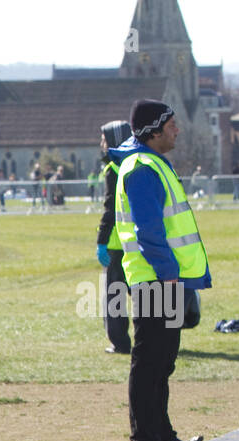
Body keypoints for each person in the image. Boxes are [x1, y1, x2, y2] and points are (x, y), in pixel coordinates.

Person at [112, 99, 210, 441]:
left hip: (166, 280)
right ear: (153, 131)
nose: (177, 130)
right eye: (171, 125)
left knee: (163, 361)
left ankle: (162, 434)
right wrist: (169, 274)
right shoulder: (140, 168)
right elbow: (149, 229)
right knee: (150, 360)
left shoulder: (152, 163)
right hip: (156, 280)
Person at [96, 120, 132, 354]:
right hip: (137, 241)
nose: (101, 144)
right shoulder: (135, 164)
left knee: (114, 296)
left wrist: (101, 241)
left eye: (104, 139)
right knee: (146, 294)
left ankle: (119, 342)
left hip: (117, 242)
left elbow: (110, 208)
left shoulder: (113, 170)